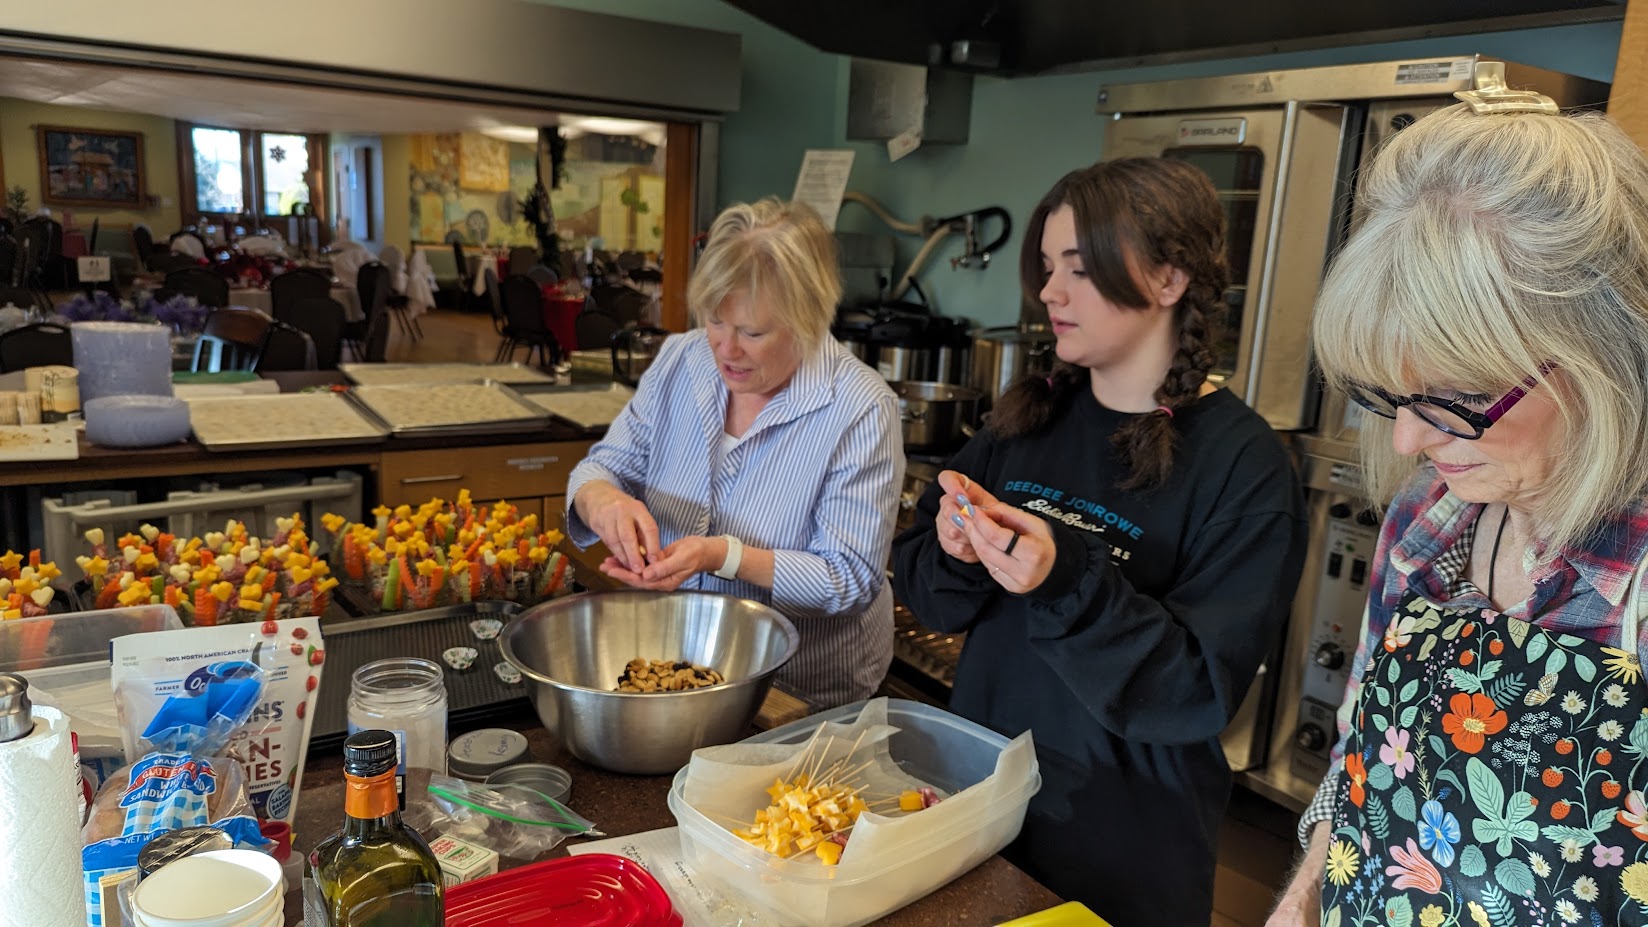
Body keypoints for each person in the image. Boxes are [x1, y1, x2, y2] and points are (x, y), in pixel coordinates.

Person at [891, 158, 1308, 926]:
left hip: (1115, 856)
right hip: (976, 813)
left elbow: (1194, 692)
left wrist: (1062, 577)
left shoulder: (1245, 466)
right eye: (1048, 268)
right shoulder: (1029, 416)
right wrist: (952, 550)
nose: (1049, 292)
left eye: (1078, 270)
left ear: (1170, 278)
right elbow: (923, 586)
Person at [1266, 103, 1648, 924]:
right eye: (1391, 395)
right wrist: (1302, 898)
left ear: (1608, 358)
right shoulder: (1429, 523)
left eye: (1462, 396)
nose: (1406, 437)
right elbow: (1361, 759)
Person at [565, 197, 903, 709]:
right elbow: (604, 466)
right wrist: (604, 503)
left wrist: (724, 556)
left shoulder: (860, 408)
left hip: (796, 691)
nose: (725, 348)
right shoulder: (683, 358)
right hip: (680, 663)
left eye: (752, 332)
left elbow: (848, 578)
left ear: (808, 319)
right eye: (715, 321)